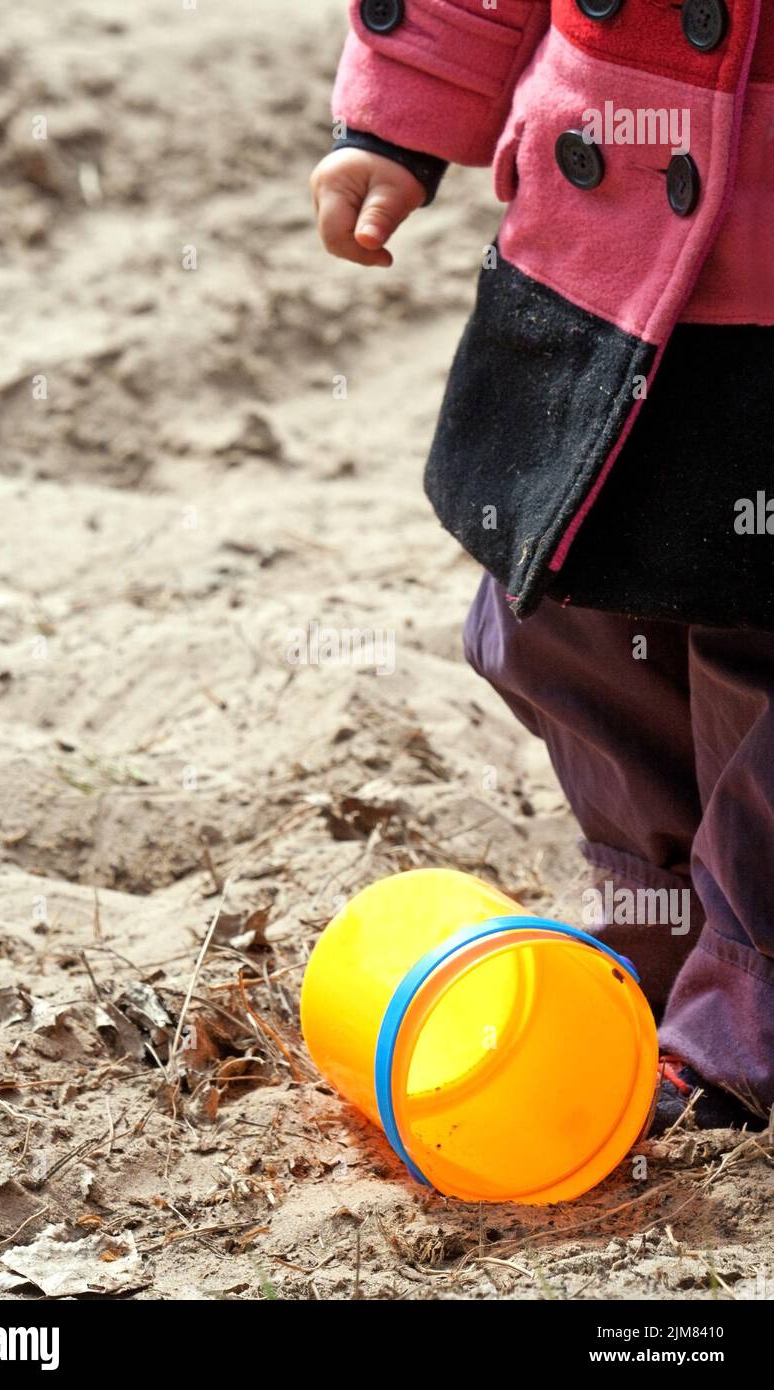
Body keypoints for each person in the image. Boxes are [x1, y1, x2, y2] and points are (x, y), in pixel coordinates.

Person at [310, 0, 774, 1132]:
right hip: (597, 256)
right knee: (555, 616)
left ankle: (743, 1025)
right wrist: (400, 118)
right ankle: (662, 940)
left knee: (755, 667)